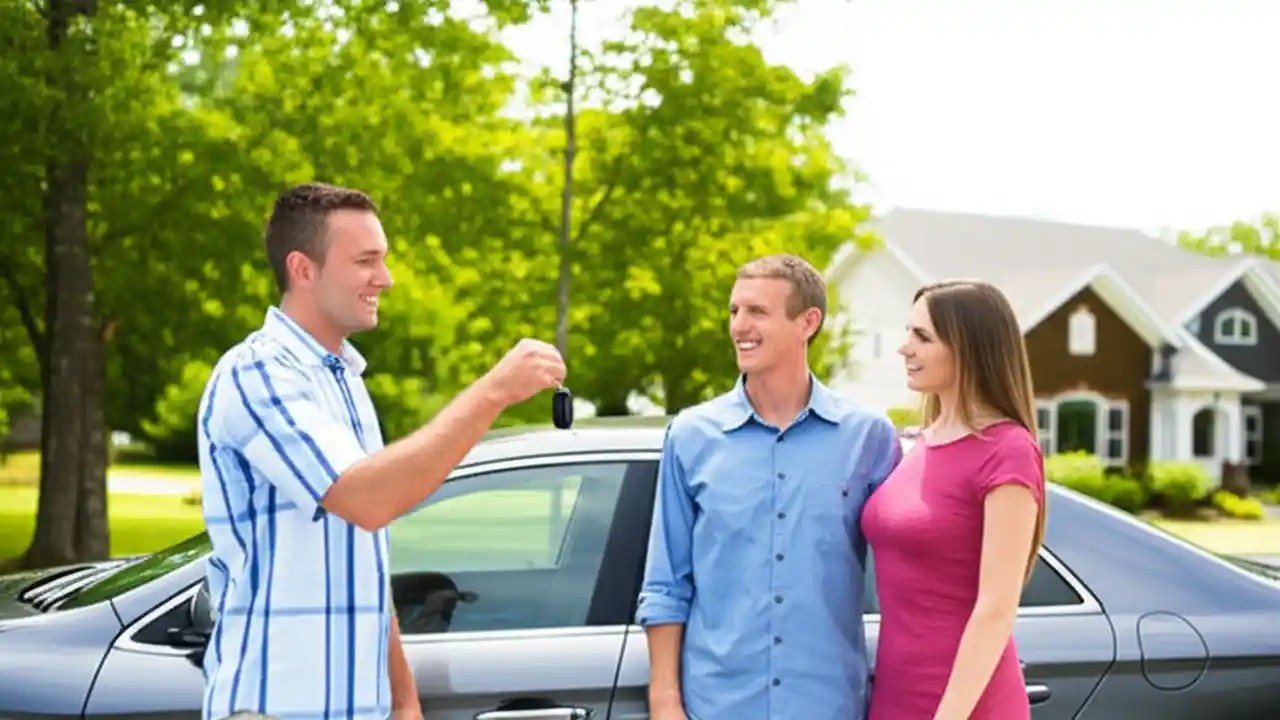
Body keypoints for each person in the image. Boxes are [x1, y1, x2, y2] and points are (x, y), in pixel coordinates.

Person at [196, 183, 566, 720]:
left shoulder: (344, 380)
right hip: (274, 708)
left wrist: (404, 700)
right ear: (303, 269)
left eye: (383, 260)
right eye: (366, 261)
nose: (385, 279)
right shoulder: (258, 373)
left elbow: (363, 555)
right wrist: (495, 392)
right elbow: (367, 499)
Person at [636, 254, 902, 720]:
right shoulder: (691, 436)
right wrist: (665, 701)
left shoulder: (868, 438)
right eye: (734, 311)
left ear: (808, 322)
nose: (740, 326)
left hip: (828, 706)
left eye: (757, 312)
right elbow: (666, 583)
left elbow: (910, 575)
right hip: (715, 708)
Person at [861, 279, 1046, 720]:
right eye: (908, 333)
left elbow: (996, 609)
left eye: (922, 337)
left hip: (966, 705)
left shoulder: (1008, 450)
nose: (904, 348)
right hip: (894, 694)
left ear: (969, 348)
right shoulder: (911, 446)